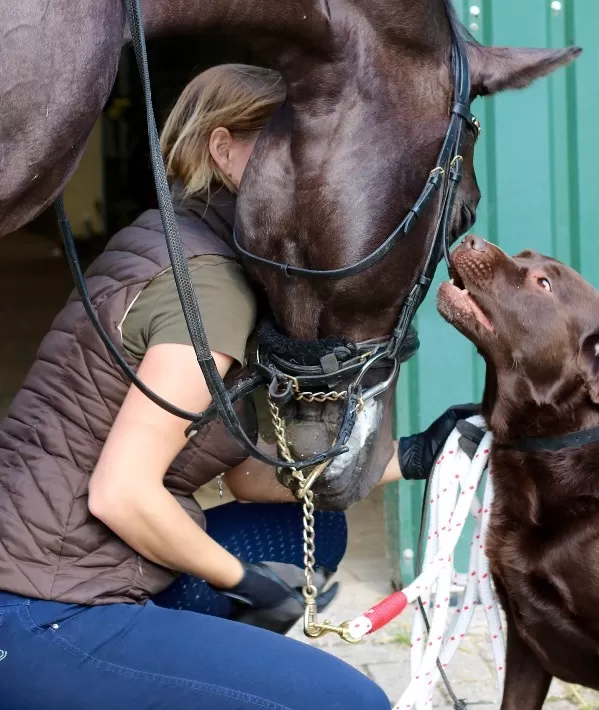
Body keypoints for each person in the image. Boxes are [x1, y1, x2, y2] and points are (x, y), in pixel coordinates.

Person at [0, 64, 483, 710]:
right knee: (349, 703)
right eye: (288, 149)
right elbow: (120, 493)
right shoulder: (209, 284)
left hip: (59, 572)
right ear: (222, 150)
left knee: (313, 533)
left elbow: (252, 474)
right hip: (47, 609)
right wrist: (247, 585)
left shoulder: (177, 239)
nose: (316, 174)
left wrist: (419, 454)